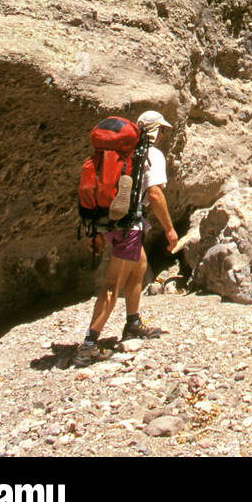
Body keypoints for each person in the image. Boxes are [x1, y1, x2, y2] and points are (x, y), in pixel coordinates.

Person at [76, 110, 177, 359]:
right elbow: (154, 194)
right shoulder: (151, 154)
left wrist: (93, 231)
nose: (163, 133)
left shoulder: (118, 154)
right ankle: (88, 345)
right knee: (112, 284)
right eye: (162, 129)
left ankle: (132, 323)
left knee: (139, 267)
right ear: (156, 131)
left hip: (109, 222)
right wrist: (169, 229)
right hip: (128, 226)